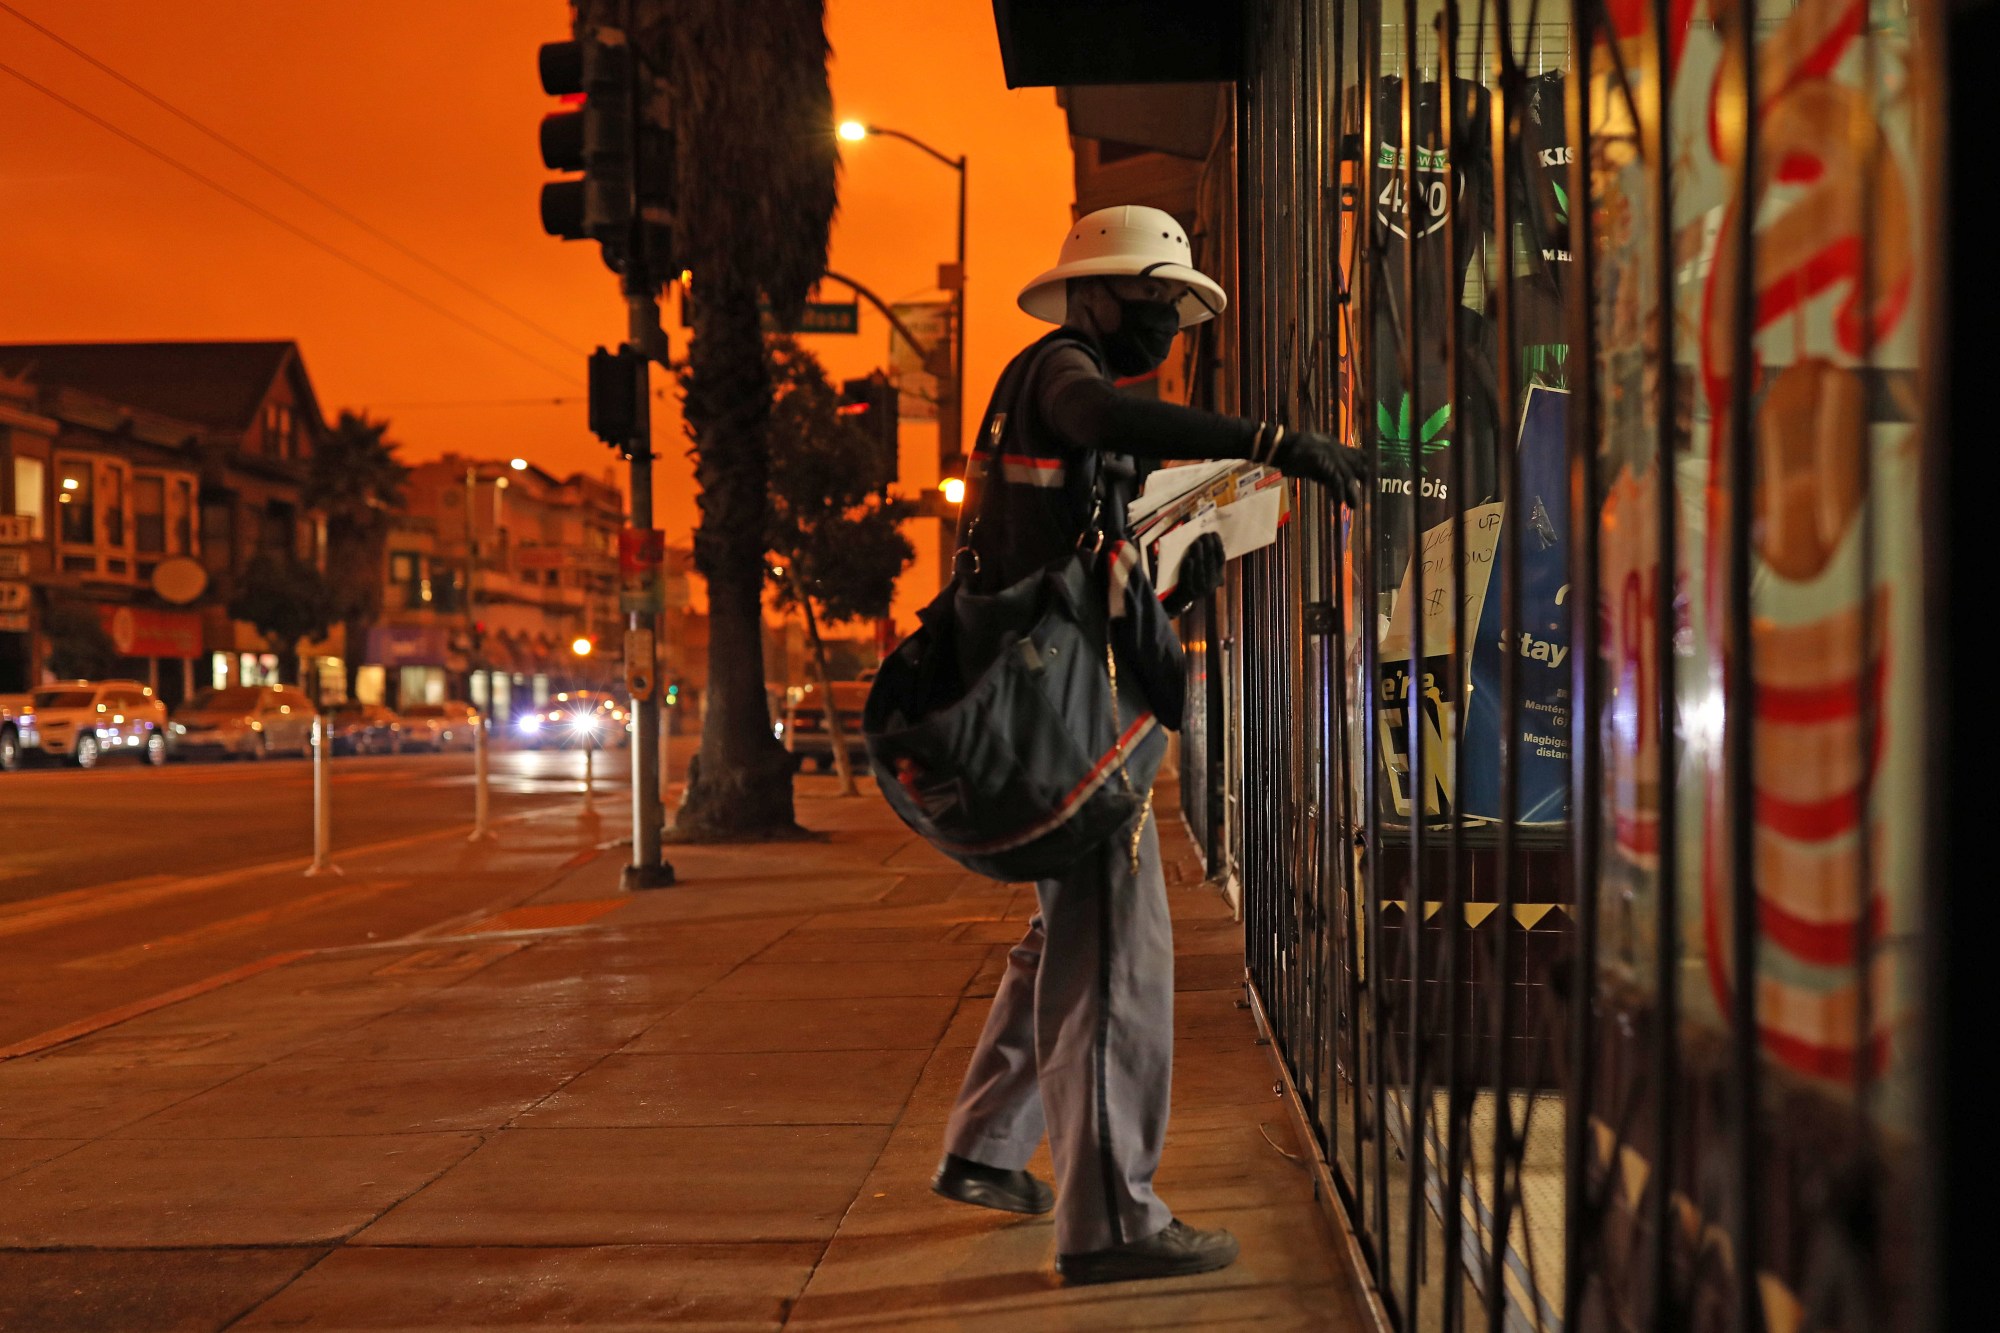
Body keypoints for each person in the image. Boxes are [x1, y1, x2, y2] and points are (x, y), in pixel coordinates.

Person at [930, 204, 1368, 1284]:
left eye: (1173, 304)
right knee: (1112, 963)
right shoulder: (1059, 371)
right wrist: (1269, 443)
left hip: (1065, 710)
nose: (1165, 321)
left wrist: (1175, 581)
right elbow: (1099, 416)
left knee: (1064, 943)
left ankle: (987, 1147)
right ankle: (1111, 1223)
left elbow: (1087, 560)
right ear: (1093, 293)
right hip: (1072, 725)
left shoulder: (1058, 400)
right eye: (1154, 298)